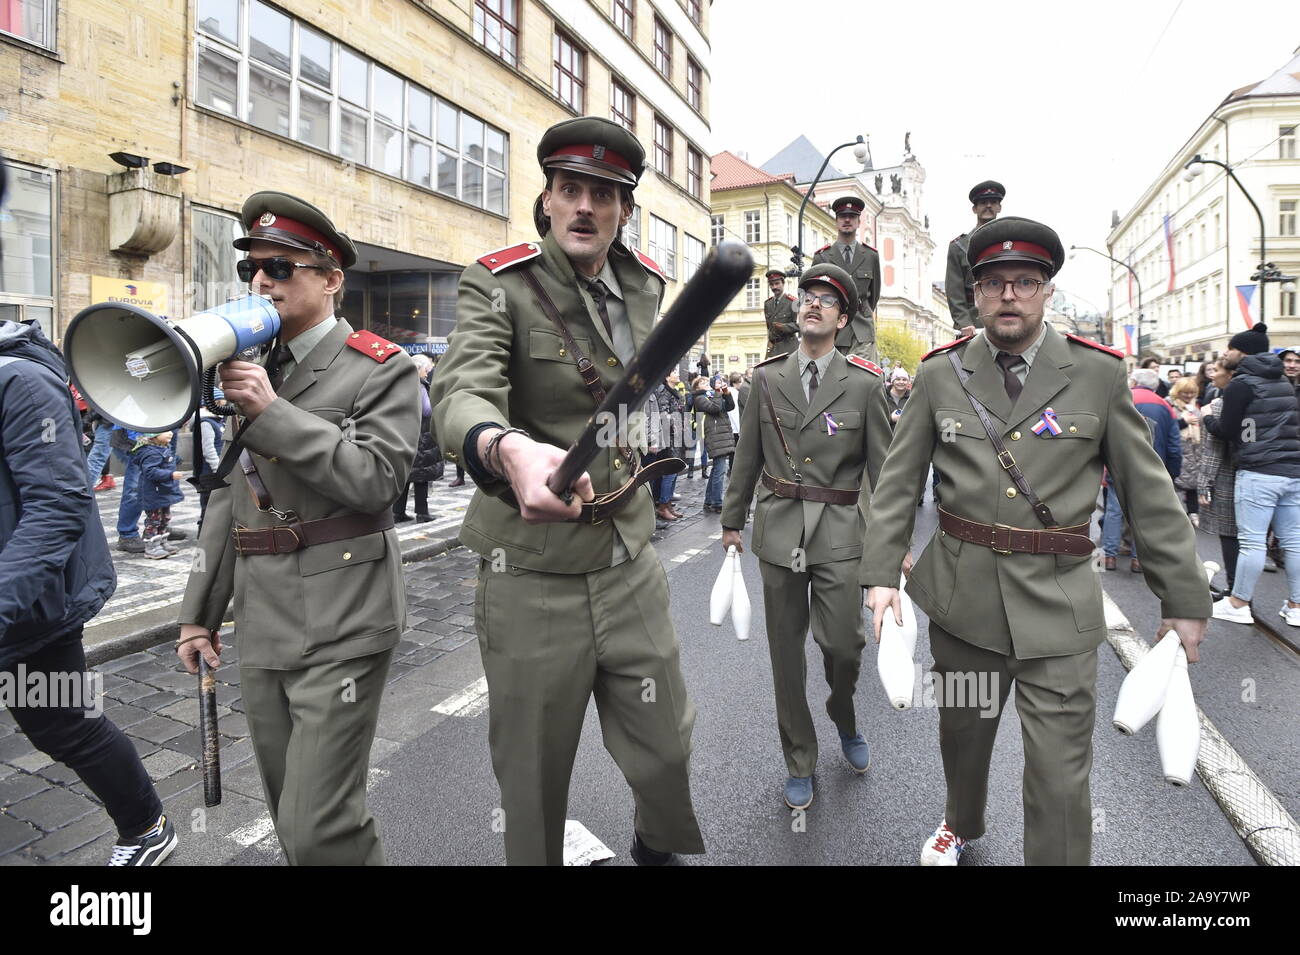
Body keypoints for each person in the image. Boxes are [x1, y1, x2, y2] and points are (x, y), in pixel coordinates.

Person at [861, 216, 1210, 866]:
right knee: (963, 737)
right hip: (963, 605)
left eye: (1025, 280)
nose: (1010, 294)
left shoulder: (1097, 373)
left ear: (1048, 290)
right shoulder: (941, 375)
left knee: (1060, 776)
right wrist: (881, 572)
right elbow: (898, 482)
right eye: (994, 283)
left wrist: (1183, 597)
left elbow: (1149, 492)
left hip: (1060, 609)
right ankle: (960, 821)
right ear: (977, 294)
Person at [429, 116, 705, 866]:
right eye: (570, 189)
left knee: (668, 748)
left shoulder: (646, 284)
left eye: (604, 194)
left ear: (623, 210)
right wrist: (505, 448)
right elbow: (462, 391)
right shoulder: (499, 281)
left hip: (627, 559)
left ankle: (655, 846)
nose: (585, 206)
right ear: (546, 200)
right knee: (534, 780)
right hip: (532, 575)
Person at [176, 191, 419, 865]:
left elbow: (377, 480)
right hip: (265, 619)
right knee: (292, 818)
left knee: (321, 827)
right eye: (252, 269)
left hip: (344, 615)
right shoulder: (257, 366)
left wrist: (273, 412)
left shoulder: (379, 365)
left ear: (331, 278)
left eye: (280, 267)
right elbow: (231, 499)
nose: (261, 281)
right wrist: (199, 614)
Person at [0, 315, 176, 866]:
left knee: (66, 725)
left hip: (30, 605)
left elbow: (58, 506)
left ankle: (147, 827)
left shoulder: (19, 380)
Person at [721, 263, 893, 809]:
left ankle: (843, 714)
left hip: (842, 531)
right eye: (807, 296)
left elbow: (885, 475)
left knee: (844, 645)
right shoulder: (766, 379)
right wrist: (730, 522)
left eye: (826, 299)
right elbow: (746, 456)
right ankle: (800, 754)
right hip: (778, 530)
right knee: (784, 653)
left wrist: (893, 546)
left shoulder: (864, 385)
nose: (812, 303)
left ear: (843, 318)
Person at [1202, 323, 1300, 627]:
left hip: (1259, 472)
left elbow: (1229, 431)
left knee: (1252, 541)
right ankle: (1296, 606)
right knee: (1294, 541)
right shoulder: (1283, 380)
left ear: (1241, 352)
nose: (1226, 353)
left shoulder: (1242, 384)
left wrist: (1206, 418)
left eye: (1230, 348)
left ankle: (1238, 603)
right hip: (1293, 471)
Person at [1103, 369, 1183, 573]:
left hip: (1119, 463)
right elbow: (1174, 443)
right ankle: (1138, 560)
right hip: (1151, 466)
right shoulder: (1164, 405)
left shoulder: (1121, 398)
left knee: (1113, 510)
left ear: (1134, 381)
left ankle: (1109, 556)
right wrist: (1172, 471)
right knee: (1143, 513)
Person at [811, 195, 881, 361]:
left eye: (852, 216)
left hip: (862, 331)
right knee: (833, 382)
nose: (847, 220)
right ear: (836, 221)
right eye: (843, 216)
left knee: (864, 379)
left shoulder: (871, 256)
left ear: (859, 222)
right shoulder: (823, 256)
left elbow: (874, 296)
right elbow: (814, 294)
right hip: (832, 330)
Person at [1198, 360, 1240, 599]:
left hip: (1229, 476)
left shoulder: (1220, 405)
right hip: (1275, 472)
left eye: (1217, 371)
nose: (1212, 376)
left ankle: (1237, 594)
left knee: (1231, 534)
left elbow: (1213, 450)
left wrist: (1204, 483)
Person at [944, 181, 1004, 336]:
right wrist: (964, 324)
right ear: (974, 209)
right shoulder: (959, 247)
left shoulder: (1011, 243)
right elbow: (954, 291)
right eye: (983, 202)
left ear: (999, 207)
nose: (988, 206)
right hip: (974, 326)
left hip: (1006, 319)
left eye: (993, 202)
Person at [394, 353, 440, 523]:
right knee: (421, 476)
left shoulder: (404, 384)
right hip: (420, 436)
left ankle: (397, 512)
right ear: (417, 369)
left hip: (408, 435)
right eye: (425, 369)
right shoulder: (418, 386)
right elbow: (426, 411)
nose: (427, 373)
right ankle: (422, 513)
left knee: (407, 475)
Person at [135, 430, 184, 559]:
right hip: (153, 492)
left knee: (165, 517)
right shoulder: (151, 453)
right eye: (165, 431)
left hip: (163, 491)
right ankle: (151, 545)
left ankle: (161, 542)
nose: (170, 433)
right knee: (154, 520)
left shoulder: (163, 448)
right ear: (153, 436)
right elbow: (150, 472)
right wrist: (170, 475)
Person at [692, 374, 735, 513]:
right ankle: (717, 503)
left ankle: (710, 501)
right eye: (703, 382)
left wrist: (726, 394)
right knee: (720, 471)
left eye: (706, 382)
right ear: (697, 386)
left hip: (721, 435)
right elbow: (715, 408)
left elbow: (730, 407)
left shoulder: (712, 395)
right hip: (715, 436)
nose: (706, 384)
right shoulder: (699, 398)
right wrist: (717, 393)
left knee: (717, 469)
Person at [1170, 376, 1203, 523]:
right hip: (1178, 450)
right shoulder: (1169, 406)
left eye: (1191, 393)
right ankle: (1174, 514)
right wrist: (1184, 422)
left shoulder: (1195, 408)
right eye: (1185, 393)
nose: (1189, 396)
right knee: (1173, 484)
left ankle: (1193, 512)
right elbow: (1167, 428)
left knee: (1192, 484)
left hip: (1194, 450)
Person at [763, 268, 800, 358]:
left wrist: (784, 327)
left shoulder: (793, 302)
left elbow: (801, 325)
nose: (774, 287)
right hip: (773, 348)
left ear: (783, 283)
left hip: (789, 348)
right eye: (771, 284)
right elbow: (769, 328)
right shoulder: (767, 303)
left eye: (777, 283)